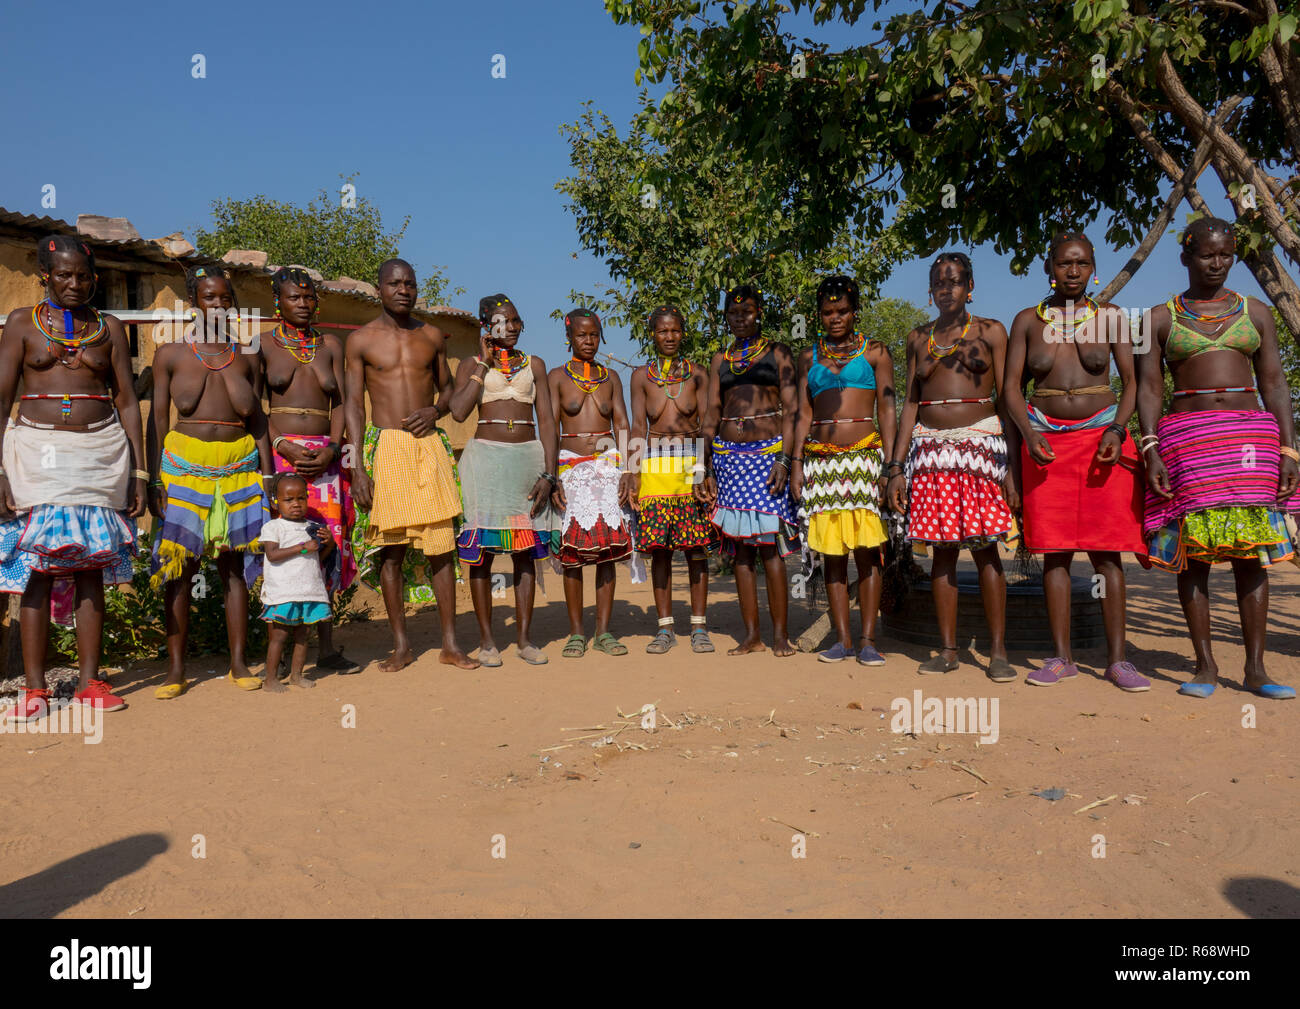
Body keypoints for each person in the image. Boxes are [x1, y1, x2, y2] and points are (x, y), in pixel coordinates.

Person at [1137, 217, 1299, 699]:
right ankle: (1204, 666)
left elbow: (1273, 384)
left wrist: (1289, 448)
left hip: (1250, 441)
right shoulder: (1156, 319)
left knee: (1252, 556)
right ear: (1186, 256)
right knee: (1196, 556)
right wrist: (1150, 448)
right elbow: (1147, 388)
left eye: (1226, 254)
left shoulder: (1257, 312)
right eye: (1207, 254)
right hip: (1187, 439)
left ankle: (1256, 670)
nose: (1217, 263)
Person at [0, 236, 146, 721]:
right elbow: (2, 400)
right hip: (34, 456)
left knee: (90, 570)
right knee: (39, 571)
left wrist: (139, 472)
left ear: (95, 279)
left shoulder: (110, 328)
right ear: (45, 276)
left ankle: (89, 683)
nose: (73, 284)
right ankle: (36, 690)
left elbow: (127, 400)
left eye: (82, 276)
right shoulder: (22, 324)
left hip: (100, 455)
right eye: (63, 275)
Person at [1003, 232, 1151, 691]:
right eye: (1065, 263)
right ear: (1050, 267)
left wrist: (1116, 430)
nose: (1073, 271)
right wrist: (1028, 436)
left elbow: (1131, 383)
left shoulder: (1110, 318)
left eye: (1081, 263)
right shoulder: (1028, 320)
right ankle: (1061, 657)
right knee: (1056, 553)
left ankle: (1118, 661)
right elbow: (1009, 388)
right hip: (1046, 443)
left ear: (1092, 268)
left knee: (1108, 553)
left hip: (1103, 440)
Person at [888, 252, 1016, 681]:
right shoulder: (917, 337)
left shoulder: (992, 331)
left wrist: (1012, 464)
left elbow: (1007, 397)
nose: (947, 289)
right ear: (930, 291)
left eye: (955, 281)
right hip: (929, 451)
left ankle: (998, 650)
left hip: (979, 446)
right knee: (942, 552)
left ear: (970, 286)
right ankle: (947, 650)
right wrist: (896, 467)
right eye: (939, 283)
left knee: (985, 549)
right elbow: (909, 404)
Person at [345, 259, 475, 671]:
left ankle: (450, 645)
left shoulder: (432, 336)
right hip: (386, 447)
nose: (403, 290)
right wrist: (356, 467)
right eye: (394, 284)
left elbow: (449, 393)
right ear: (379, 289)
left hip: (428, 447)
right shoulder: (361, 340)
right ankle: (401, 645)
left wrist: (433, 412)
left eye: (410, 284)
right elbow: (351, 404)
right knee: (391, 550)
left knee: (441, 548)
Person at [148, 264, 271, 699]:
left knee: (233, 568)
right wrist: (154, 480)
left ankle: (238, 662)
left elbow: (258, 421)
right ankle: (175, 669)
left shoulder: (249, 355)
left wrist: (269, 474)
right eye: (208, 297)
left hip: (239, 467)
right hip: (183, 468)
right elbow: (158, 419)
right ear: (193, 302)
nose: (217, 304)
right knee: (180, 570)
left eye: (224, 297)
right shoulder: (171, 355)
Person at [447, 294, 558, 666]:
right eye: (500, 322)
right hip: (485, 463)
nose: (509, 328)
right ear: (485, 326)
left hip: (527, 459)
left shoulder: (536, 365)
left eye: (514, 321)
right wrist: (482, 365)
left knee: (525, 552)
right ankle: (487, 642)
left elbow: (547, 420)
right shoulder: (469, 364)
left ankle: (525, 639)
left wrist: (549, 473)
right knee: (482, 555)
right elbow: (460, 412)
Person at [791, 276, 896, 665]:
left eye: (842, 311)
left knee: (869, 551)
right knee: (832, 554)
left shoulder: (876, 354)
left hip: (865, 458)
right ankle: (843, 640)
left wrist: (890, 466)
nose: (835, 318)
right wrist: (798, 463)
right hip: (820, 462)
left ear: (855, 311)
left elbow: (887, 408)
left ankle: (869, 640)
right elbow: (803, 413)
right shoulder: (808, 357)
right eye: (827, 312)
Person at [261, 267, 357, 672]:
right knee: (284, 549)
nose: (303, 304)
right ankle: (280, 652)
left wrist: (334, 447)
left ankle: (327, 648)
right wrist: (281, 444)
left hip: (326, 459)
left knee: (326, 547)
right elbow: (254, 407)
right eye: (294, 297)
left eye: (309, 297)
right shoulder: (261, 344)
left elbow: (342, 405)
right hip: (283, 457)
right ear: (277, 302)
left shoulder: (331, 345)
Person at [702, 284, 800, 656]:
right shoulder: (720, 360)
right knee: (741, 551)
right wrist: (705, 465)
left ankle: (780, 636)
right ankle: (752, 636)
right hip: (728, 458)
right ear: (726, 316)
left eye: (747, 312)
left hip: (767, 456)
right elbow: (712, 412)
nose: (739, 318)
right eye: (733, 313)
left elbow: (792, 411)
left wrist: (785, 460)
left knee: (769, 549)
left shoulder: (779, 353)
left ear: (759, 313)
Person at [547, 309, 638, 658]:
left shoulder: (612, 377)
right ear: (569, 336)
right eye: (582, 335)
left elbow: (623, 423)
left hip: (608, 466)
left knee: (606, 552)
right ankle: (575, 633)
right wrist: (552, 476)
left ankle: (603, 632)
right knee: (572, 553)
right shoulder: (557, 377)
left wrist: (630, 469)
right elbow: (550, 427)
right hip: (570, 469)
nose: (589, 342)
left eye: (595, 336)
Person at [628, 304, 716, 654]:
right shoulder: (640, 377)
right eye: (662, 331)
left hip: (690, 466)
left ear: (683, 333)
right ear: (653, 333)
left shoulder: (698, 374)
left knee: (696, 550)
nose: (669, 337)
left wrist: (703, 469)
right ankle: (665, 628)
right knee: (661, 551)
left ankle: (699, 627)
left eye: (675, 330)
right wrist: (633, 472)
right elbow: (638, 426)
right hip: (654, 469)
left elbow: (708, 423)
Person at [259, 473, 334, 692]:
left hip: (308, 590)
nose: (296, 504)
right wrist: (303, 547)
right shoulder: (273, 527)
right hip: (284, 592)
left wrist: (327, 543)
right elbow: (272, 555)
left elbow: (317, 558)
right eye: (288, 500)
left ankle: (296, 676)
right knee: (280, 636)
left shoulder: (312, 526)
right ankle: (270, 679)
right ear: (276, 501)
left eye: (301, 498)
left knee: (303, 635)